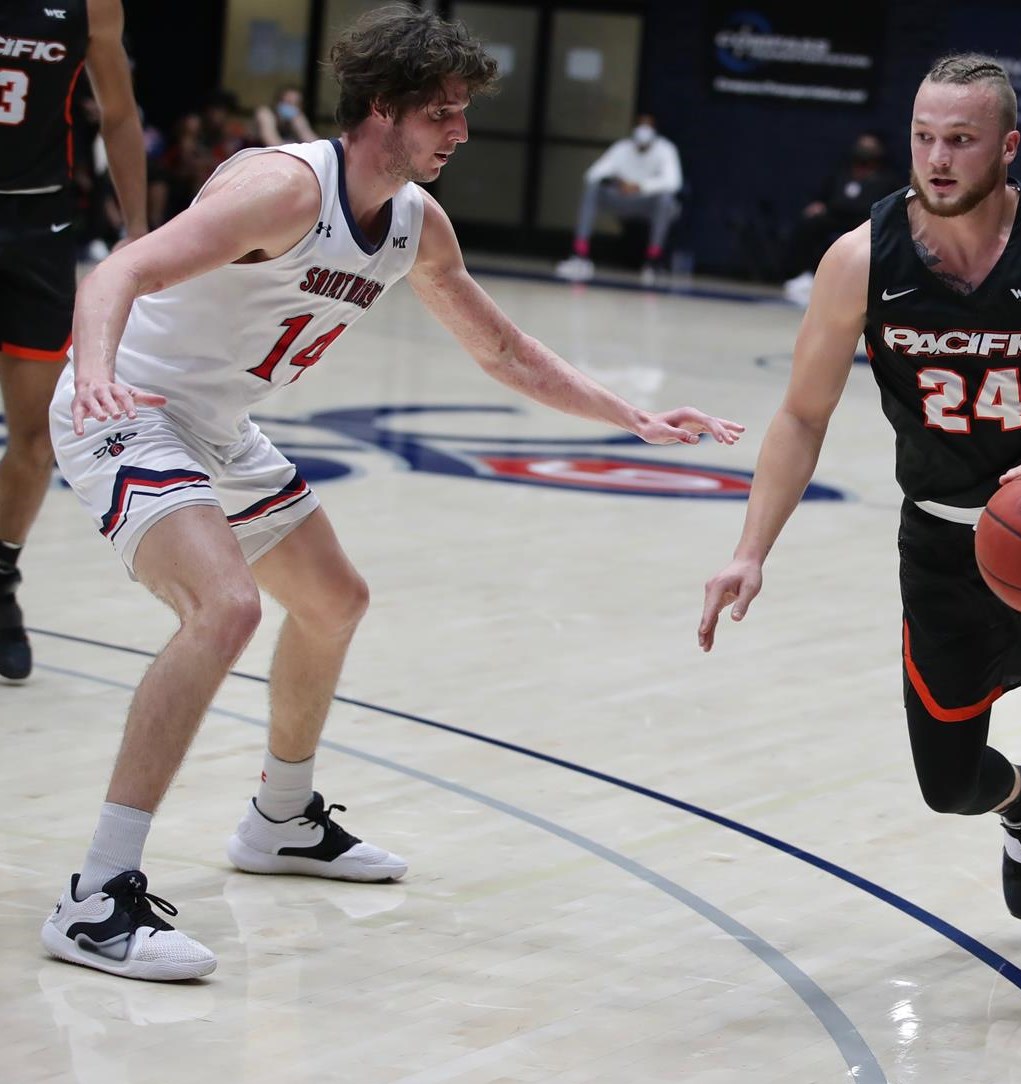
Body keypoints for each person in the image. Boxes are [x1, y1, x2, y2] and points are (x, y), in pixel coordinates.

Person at [39, 5, 742, 982]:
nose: (461, 131)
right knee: (226, 608)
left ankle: (280, 818)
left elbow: (503, 348)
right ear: (381, 108)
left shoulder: (414, 222)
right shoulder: (280, 189)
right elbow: (117, 270)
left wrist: (631, 417)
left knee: (334, 600)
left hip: (217, 427)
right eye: (442, 113)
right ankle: (96, 895)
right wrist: (99, 374)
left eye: (461, 112)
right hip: (130, 406)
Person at [699, 53, 1021, 995]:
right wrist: (749, 551)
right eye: (924, 136)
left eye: (960, 139)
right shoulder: (859, 260)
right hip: (940, 540)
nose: (936, 157)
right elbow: (801, 415)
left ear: (1006, 147)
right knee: (946, 784)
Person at [0, 0, 149, 682]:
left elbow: (117, 114)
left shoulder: (91, 5)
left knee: (36, 437)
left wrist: (137, 233)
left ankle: (1, 582)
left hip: (40, 229)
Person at [555, 113, 682, 283]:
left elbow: (674, 182)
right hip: (620, 199)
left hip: (647, 203)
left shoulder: (666, 149)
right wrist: (618, 182)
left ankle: (653, 261)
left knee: (666, 200)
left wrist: (640, 186)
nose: (643, 131)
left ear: (655, 130)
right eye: (640, 126)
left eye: (648, 126)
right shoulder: (621, 148)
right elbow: (592, 174)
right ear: (634, 129)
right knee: (592, 190)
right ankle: (580, 255)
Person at [780, 132, 902, 303]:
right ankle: (802, 275)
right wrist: (818, 205)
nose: (864, 151)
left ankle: (865, 285)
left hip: (866, 222)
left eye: (870, 147)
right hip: (836, 217)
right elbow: (823, 197)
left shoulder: (888, 180)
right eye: (862, 146)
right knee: (810, 223)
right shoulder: (841, 174)